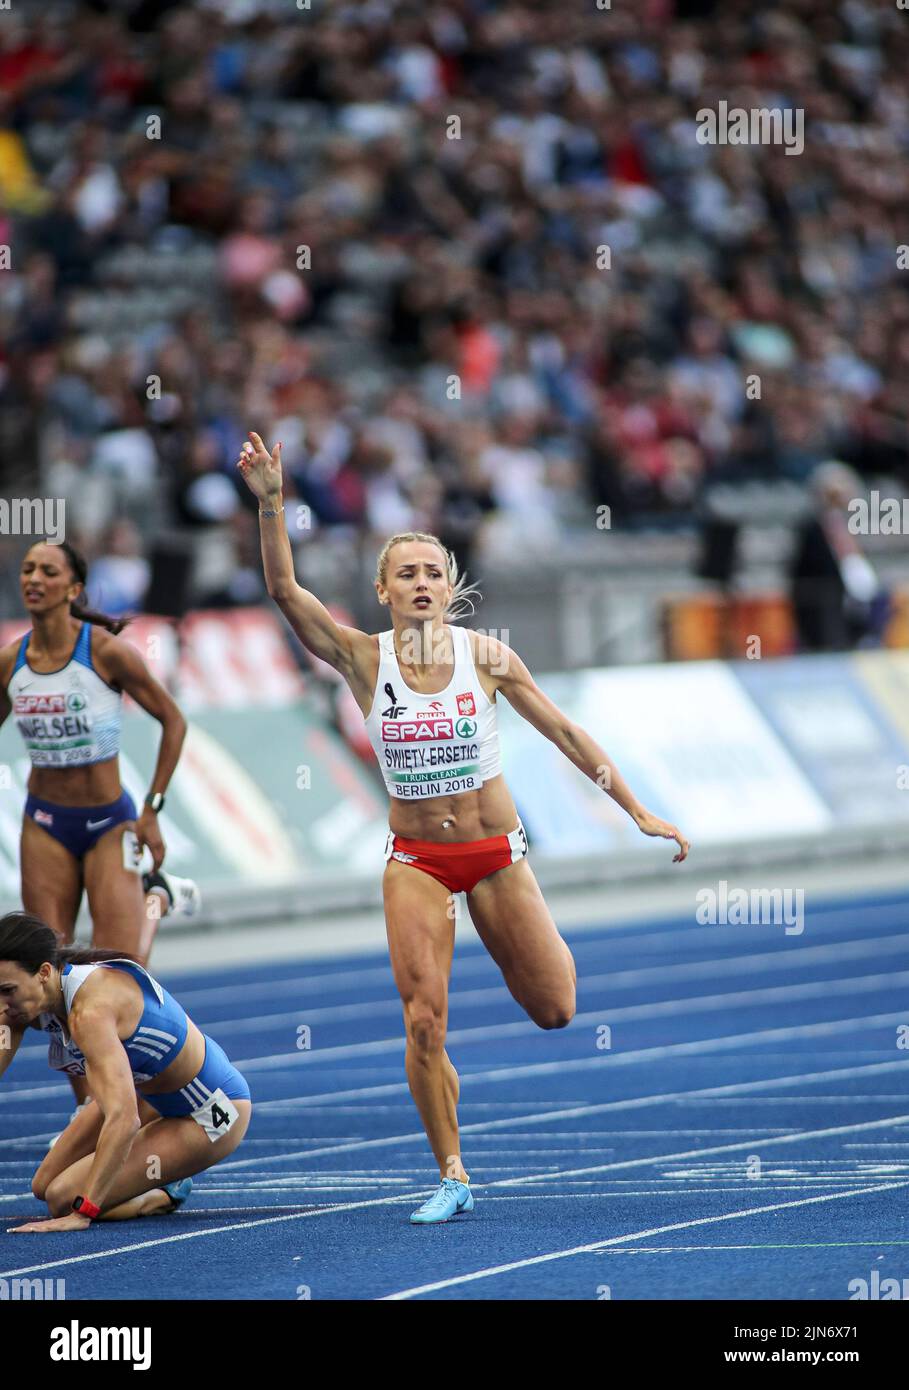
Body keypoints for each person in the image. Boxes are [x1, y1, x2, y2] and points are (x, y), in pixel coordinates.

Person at [238, 431, 689, 1224]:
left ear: (450, 588)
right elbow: (284, 591)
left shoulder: (486, 657)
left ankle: (518, 984)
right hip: (416, 860)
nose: (419, 583)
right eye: (405, 573)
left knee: (555, 1011)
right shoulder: (359, 657)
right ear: (383, 589)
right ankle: (451, 1172)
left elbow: (565, 734)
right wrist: (273, 502)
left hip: (494, 856)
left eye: (431, 573)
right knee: (421, 1019)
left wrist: (636, 808)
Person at [0, 539, 199, 1105]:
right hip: (45, 823)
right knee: (46, 974)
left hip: (111, 823)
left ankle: (153, 902)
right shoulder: (10, 662)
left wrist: (152, 811)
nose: (34, 578)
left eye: (48, 570)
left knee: (118, 971)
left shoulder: (105, 653)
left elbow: (174, 721)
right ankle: (94, 1110)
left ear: (74, 588)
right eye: (27, 569)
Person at [0, 911, 251, 1232]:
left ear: (44, 973)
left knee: (62, 1198)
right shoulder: (35, 995)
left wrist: (83, 1213)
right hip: (147, 1095)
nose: (2, 1004)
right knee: (43, 1184)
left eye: (7, 990)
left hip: (210, 1112)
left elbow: (123, 1118)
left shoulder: (90, 1013)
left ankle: (163, 1192)